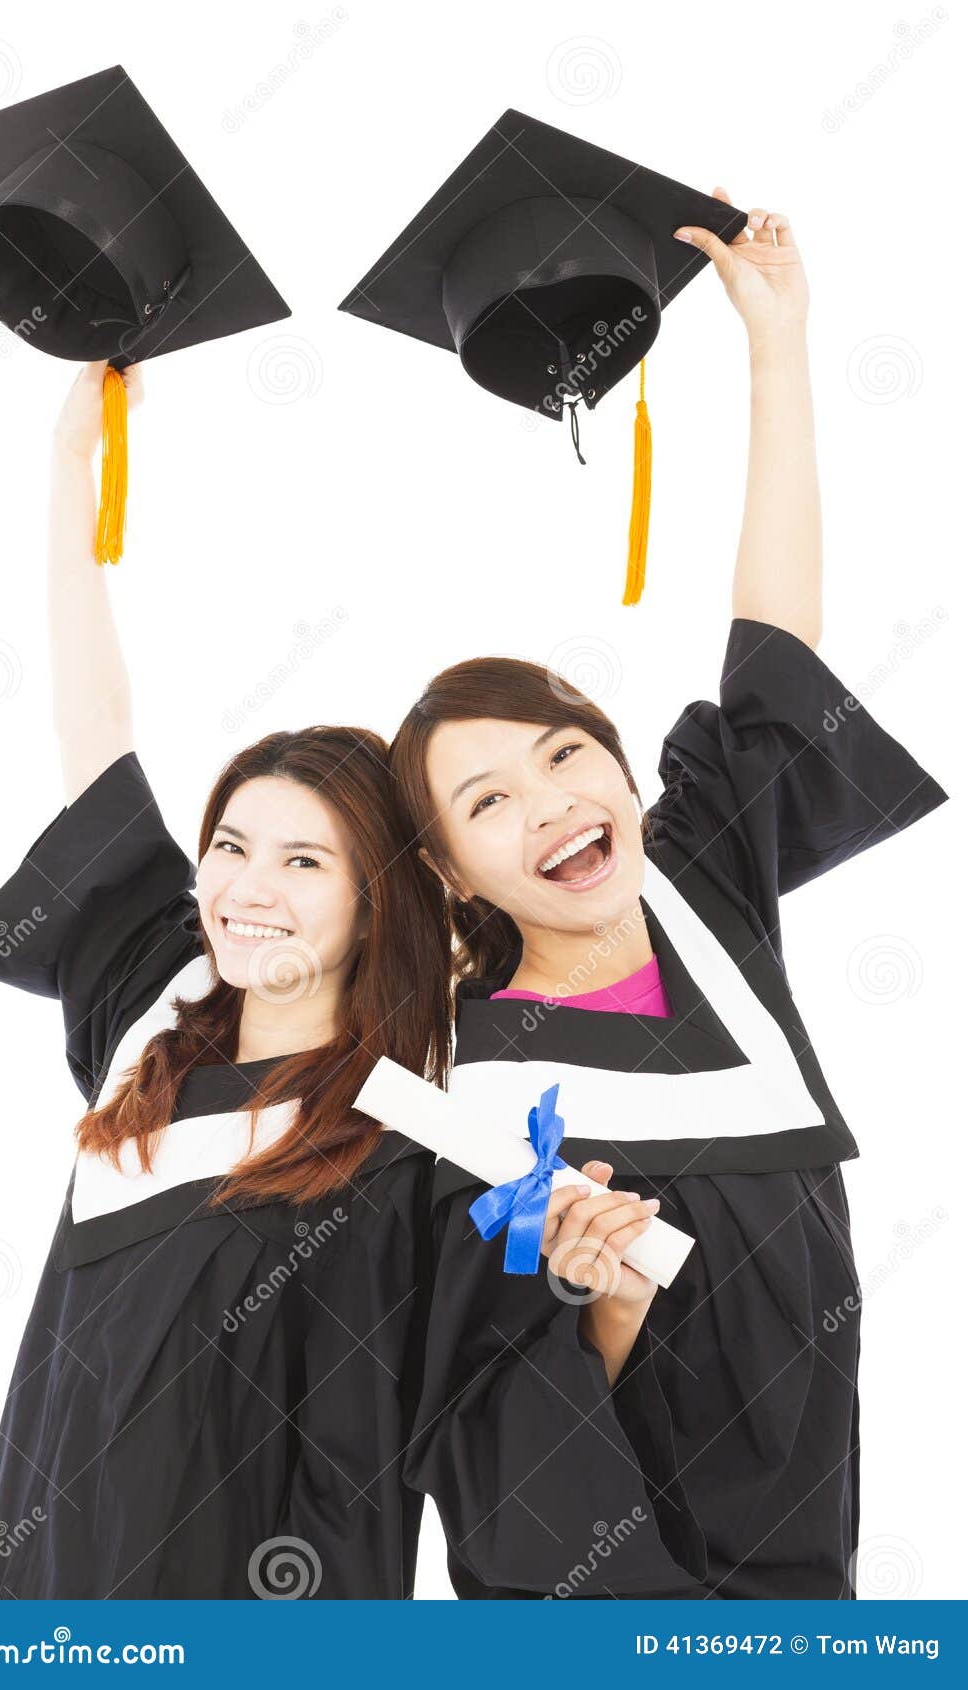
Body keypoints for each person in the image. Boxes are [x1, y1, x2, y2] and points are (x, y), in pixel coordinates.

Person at [387, 195, 947, 1599]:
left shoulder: (704, 893)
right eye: (486, 803)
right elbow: (494, 1433)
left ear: (623, 768)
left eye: (563, 755)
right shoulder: (479, 1090)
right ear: (448, 871)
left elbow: (774, 646)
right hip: (637, 1595)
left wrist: (776, 348)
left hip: (815, 1558)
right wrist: (598, 1300)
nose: (548, 804)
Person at [0, 363, 450, 1599]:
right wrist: (69, 470)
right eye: (230, 845)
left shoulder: (406, 1126)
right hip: (34, 1599)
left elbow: (357, 1464)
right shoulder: (154, 1009)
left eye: (303, 860)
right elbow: (93, 734)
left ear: (375, 896)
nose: (246, 888)